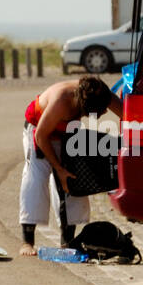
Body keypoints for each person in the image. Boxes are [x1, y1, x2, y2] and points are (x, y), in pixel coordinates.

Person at [19, 76, 122, 255]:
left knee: (73, 181)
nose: (105, 112)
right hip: (39, 131)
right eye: (100, 111)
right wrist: (59, 169)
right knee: (37, 176)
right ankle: (27, 242)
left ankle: (68, 242)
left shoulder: (101, 93)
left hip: (66, 134)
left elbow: (129, 116)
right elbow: (41, 136)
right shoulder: (61, 100)